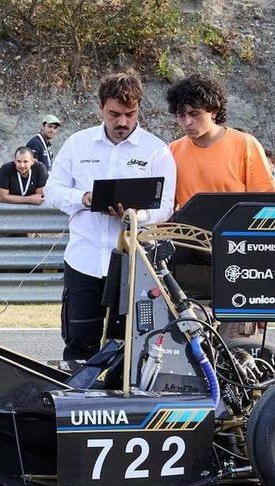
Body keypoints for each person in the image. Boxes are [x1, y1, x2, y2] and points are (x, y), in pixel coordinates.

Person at [44, 70, 176, 361]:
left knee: (131, 347)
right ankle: (78, 401)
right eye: (114, 114)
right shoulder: (77, 144)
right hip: (84, 259)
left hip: (135, 264)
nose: (122, 122)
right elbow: (51, 190)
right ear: (100, 108)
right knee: (79, 342)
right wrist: (84, 198)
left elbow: (166, 206)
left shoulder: (157, 151)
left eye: (130, 114)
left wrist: (134, 215)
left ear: (139, 108)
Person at [165, 73, 275, 210]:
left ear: (214, 111)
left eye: (194, 114)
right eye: (181, 116)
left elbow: (266, 199)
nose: (188, 122)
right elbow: (166, 204)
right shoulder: (172, 151)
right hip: (188, 230)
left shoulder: (245, 144)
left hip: (234, 230)